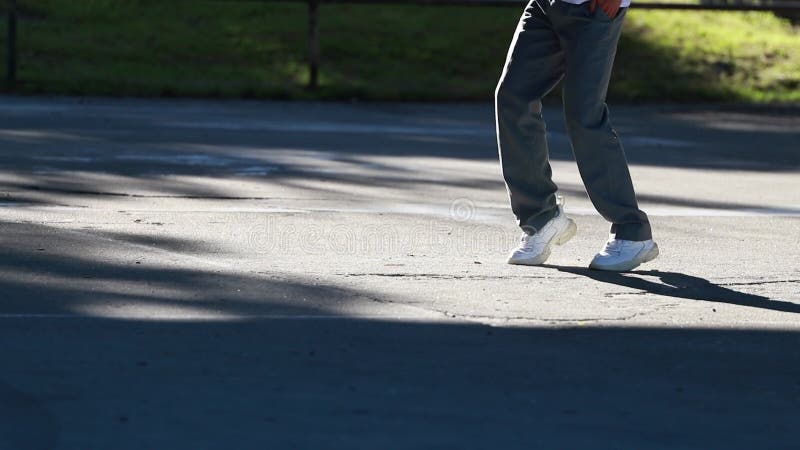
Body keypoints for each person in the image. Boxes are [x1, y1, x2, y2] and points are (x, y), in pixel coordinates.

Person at [495, 0, 658, 271]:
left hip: (593, 9)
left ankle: (632, 232)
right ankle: (542, 217)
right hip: (545, 6)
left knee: (584, 114)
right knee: (513, 98)